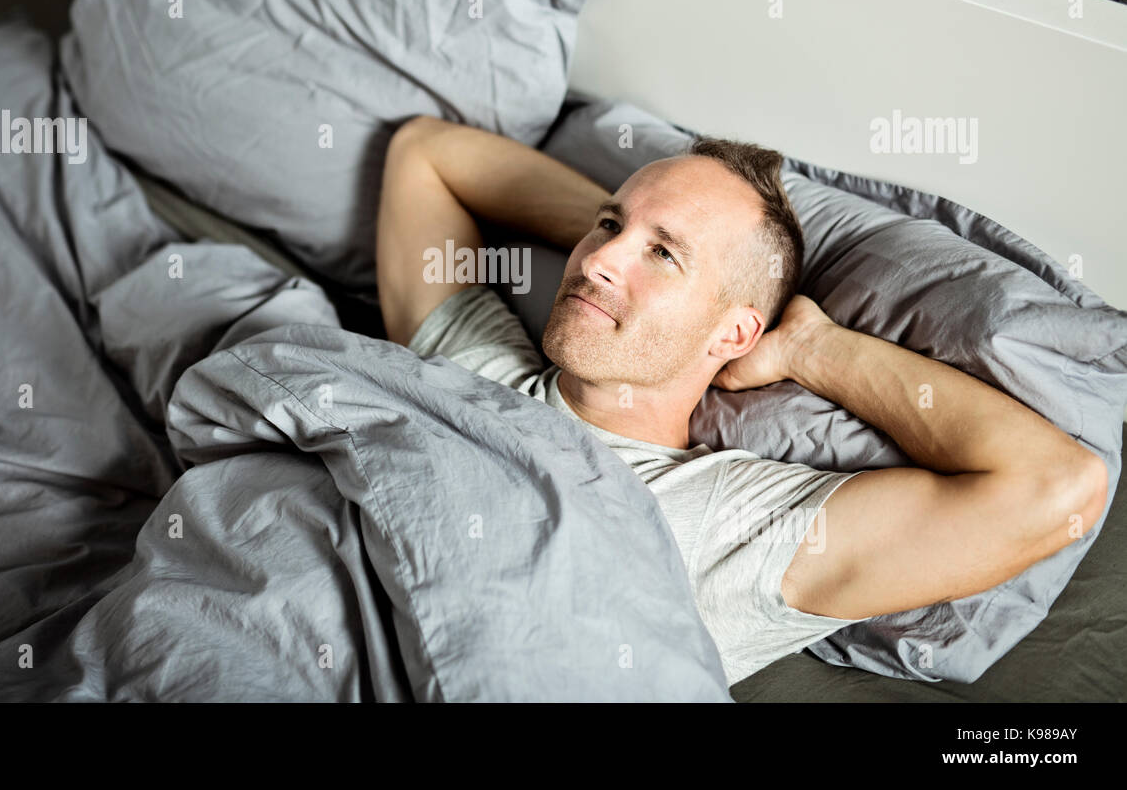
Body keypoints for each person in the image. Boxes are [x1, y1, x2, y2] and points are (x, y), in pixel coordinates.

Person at [374, 114, 1108, 685]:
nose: (597, 260)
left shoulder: (734, 522)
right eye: (607, 227)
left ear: (733, 331)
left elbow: (1059, 486)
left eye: (664, 255)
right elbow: (424, 153)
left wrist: (813, 348)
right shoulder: (472, 368)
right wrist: (634, 243)